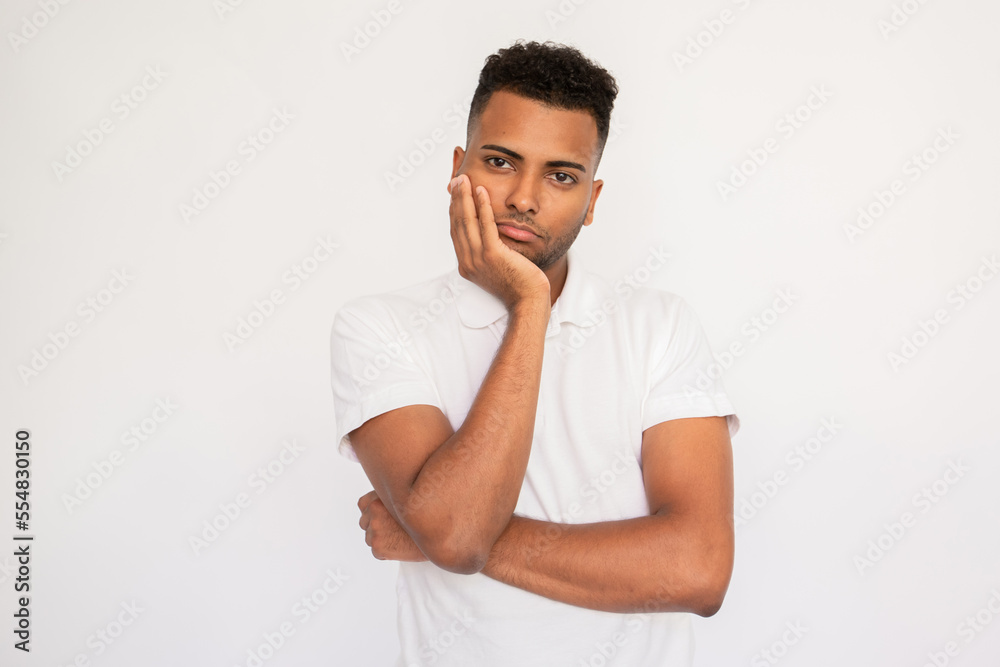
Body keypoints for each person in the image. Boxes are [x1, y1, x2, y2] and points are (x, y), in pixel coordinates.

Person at [330, 39, 740, 667]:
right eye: (500, 162)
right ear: (458, 168)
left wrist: (434, 530)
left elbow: (697, 571)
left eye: (561, 175)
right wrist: (530, 306)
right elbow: (455, 535)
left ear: (593, 200)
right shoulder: (379, 327)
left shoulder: (658, 327)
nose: (524, 197)